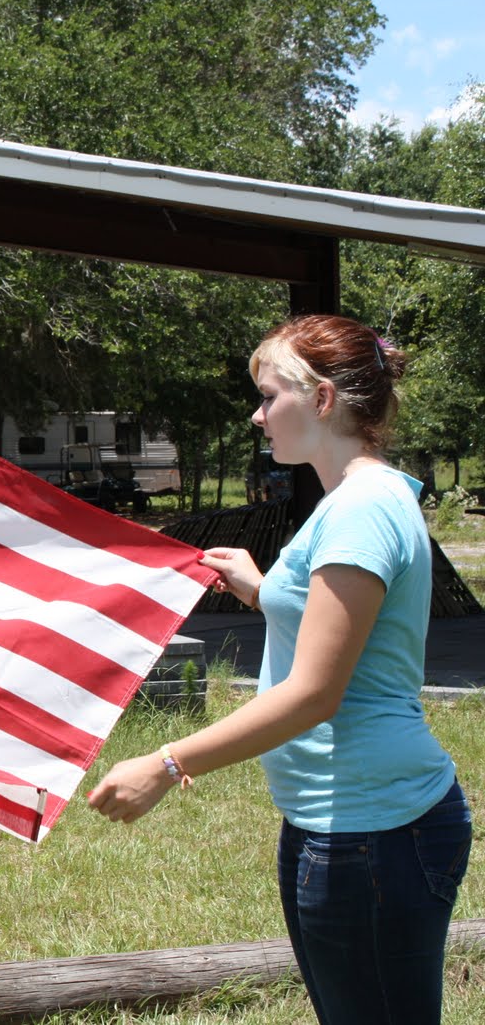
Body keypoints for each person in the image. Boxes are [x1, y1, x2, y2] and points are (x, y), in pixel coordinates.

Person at [88, 314, 471, 1025]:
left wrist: (166, 762)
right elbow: (345, 628)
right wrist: (261, 587)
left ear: (322, 400)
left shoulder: (361, 509)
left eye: (269, 396)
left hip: (376, 833)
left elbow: (315, 693)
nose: (257, 413)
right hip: (336, 824)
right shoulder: (353, 500)